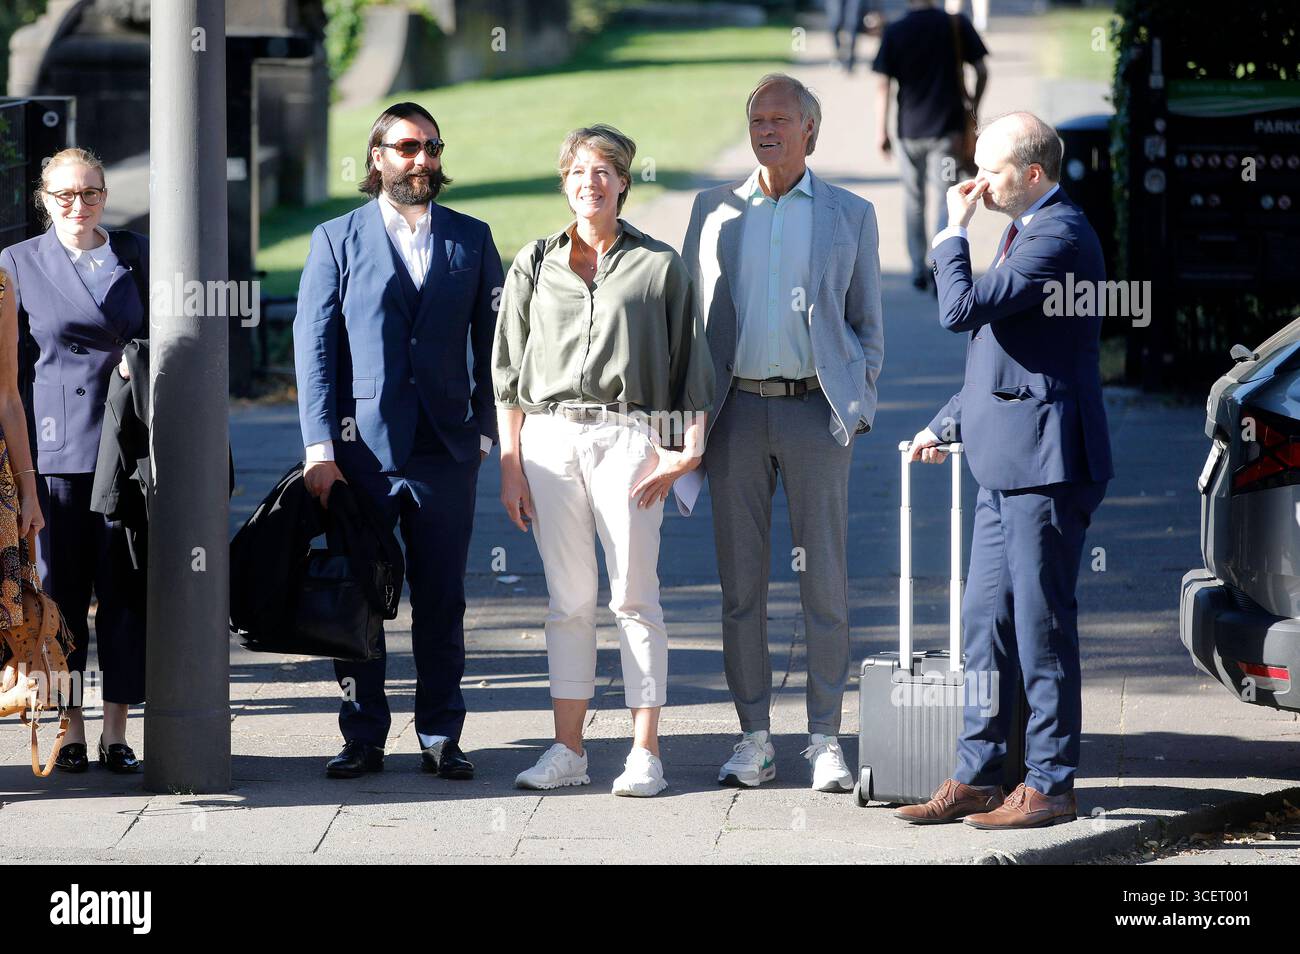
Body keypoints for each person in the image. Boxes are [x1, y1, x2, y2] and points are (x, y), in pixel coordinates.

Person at [900, 112, 1113, 829]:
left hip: (1047, 465)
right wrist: (945, 422)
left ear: (1032, 174)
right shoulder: (1026, 232)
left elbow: (960, 309)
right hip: (1004, 462)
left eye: (990, 169)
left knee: (1040, 626)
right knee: (984, 622)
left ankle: (1050, 783)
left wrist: (948, 234)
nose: (976, 182)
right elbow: (1006, 352)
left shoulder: (1058, 234)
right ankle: (981, 771)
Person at [494, 124, 713, 797]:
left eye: (603, 171)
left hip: (628, 437)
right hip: (549, 442)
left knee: (633, 597)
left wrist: (690, 447)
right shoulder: (533, 263)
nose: (589, 182)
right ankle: (568, 750)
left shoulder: (660, 265)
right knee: (568, 600)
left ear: (623, 181)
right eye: (578, 171)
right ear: (564, 181)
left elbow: (688, 367)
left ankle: (645, 752)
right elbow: (506, 371)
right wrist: (509, 460)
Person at [680, 74, 884, 793]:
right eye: (755, 118)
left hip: (814, 414)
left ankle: (826, 739)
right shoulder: (713, 210)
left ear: (809, 130)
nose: (765, 129)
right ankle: (754, 738)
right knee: (741, 587)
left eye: (778, 118)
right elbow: (688, 325)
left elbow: (866, 325)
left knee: (822, 583)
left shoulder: (850, 213)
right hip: (733, 413)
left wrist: (854, 407)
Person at [293, 102, 502, 780]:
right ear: (377, 157)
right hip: (359, 458)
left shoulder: (471, 238)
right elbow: (314, 349)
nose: (422, 159)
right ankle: (363, 736)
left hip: (446, 451)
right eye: (408, 147)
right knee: (357, 597)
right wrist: (320, 449)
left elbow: (497, 348)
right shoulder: (335, 239)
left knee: (442, 599)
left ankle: (442, 733)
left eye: (432, 147)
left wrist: (487, 434)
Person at [0, 148, 148, 774]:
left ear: (105, 196)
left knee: (125, 591)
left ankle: (116, 728)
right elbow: (9, 378)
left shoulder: (139, 253)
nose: (78, 206)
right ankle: (69, 725)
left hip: (127, 446)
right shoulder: (17, 262)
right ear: (43, 198)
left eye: (90, 193)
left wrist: (137, 355)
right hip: (57, 449)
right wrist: (23, 481)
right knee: (58, 598)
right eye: (64, 195)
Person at [873, 0, 988, 292]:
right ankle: (941, 267)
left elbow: (883, 84)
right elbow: (982, 69)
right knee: (945, 197)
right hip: (947, 132)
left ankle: (916, 268)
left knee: (914, 199)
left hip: (908, 132)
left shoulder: (895, 31)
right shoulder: (955, 25)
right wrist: (974, 104)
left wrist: (881, 131)